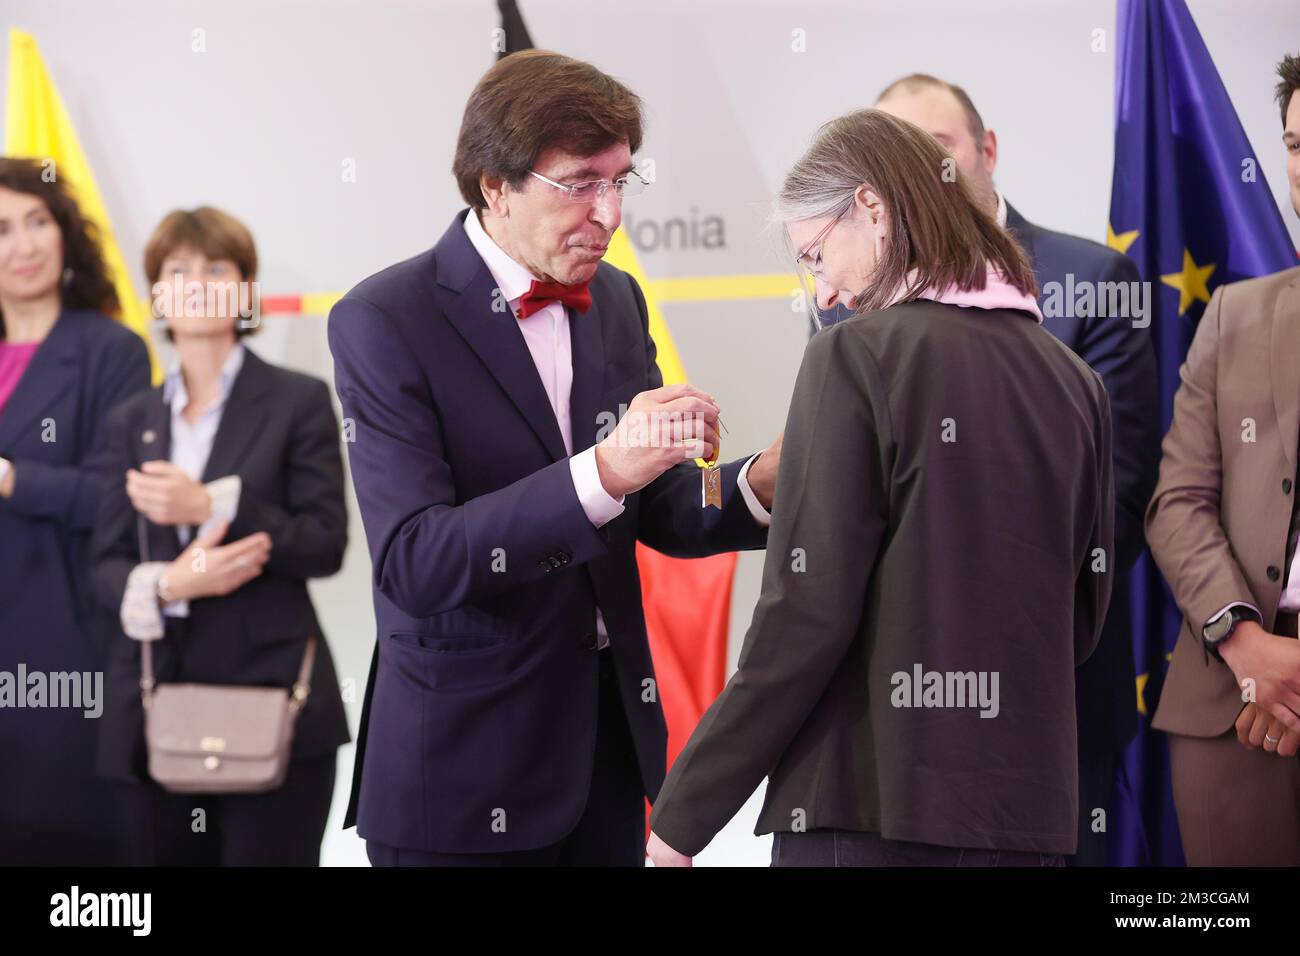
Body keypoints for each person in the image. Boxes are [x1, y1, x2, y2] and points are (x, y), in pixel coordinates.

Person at [328, 49, 780, 866]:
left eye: (621, 181)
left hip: (607, 756)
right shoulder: (384, 318)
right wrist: (604, 470)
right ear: (493, 185)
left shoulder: (614, 297)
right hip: (462, 773)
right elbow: (415, 561)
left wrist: (758, 481)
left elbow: (661, 505)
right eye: (580, 184)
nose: (609, 214)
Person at [646, 108, 1114, 867]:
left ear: (871, 208)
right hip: (1025, 823)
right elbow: (1082, 621)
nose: (824, 293)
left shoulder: (853, 359)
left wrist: (682, 816)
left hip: (865, 817)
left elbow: (805, 614)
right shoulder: (1076, 383)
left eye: (817, 256)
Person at [815, 74, 1159, 865]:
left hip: (1053, 684)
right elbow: (843, 497)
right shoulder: (842, 299)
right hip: (893, 704)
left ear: (987, 150)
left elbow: (1122, 496)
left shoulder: (1092, 280)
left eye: (935, 150)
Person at [90, 207, 350, 865]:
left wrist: (213, 502)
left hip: (273, 700)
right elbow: (105, 561)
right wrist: (170, 584)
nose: (196, 282)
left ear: (245, 290)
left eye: (216, 268)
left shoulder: (299, 399)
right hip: (152, 703)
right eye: (175, 269)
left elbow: (324, 543)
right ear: (155, 293)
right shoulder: (130, 420)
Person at [1144, 54, 1300, 867]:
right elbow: (1177, 503)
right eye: (1297, 144)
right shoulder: (1235, 314)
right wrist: (1246, 646)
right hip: (1228, 703)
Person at [0, 158, 150, 865]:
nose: (23, 245)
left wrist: (11, 480)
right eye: (1, 228)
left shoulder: (110, 350)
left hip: (63, 649)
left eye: (38, 221)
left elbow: (117, 498)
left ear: (65, 234)